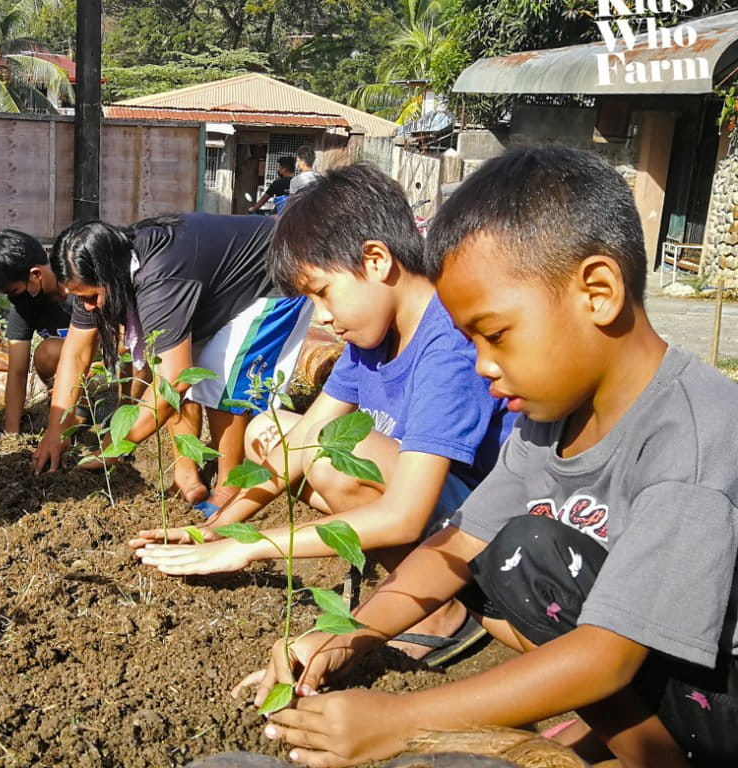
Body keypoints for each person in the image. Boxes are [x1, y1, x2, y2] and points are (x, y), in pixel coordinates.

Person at [229, 146, 738, 768]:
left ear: (597, 291)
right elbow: (460, 544)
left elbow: (610, 654)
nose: (481, 365)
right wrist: (342, 635)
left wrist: (403, 721)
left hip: (719, 697)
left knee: (535, 552)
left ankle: (651, 757)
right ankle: (607, 736)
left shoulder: (695, 434)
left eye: (494, 335)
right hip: (646, 666)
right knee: (523, 555)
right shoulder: (548, 421)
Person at [131, 163, 514, 666]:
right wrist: (221, 529)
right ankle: (404, 579)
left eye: (323, 292)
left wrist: (252, 548)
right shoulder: (370, 342)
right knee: (272, 433)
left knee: (336, 454)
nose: (322, 316)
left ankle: (437, 610)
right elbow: (303, 437)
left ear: (376, 260)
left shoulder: (447, 343)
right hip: (428, 498)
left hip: (487, 534)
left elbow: (406, 514)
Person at [33, 213, 313, 516]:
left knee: (224, 384)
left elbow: (176, 379)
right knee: (173, 369)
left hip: (273, 275)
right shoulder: (94, 276)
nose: (87, 306)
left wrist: (114, 448)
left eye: (91, 298)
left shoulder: (160, 280)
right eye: (79, 298)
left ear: (110, 276)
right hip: (216, 289)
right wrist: (54, 430)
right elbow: (75, 354)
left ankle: (230, 486)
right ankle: (186, 473)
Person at [0, 230, 74, 433]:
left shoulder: (80, 288)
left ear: (35, 275)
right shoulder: (26, 305)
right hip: (71, 379)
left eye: (14, 292)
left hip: (104, 369)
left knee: (52, 350)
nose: (14, 300)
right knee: (48, 353)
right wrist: (12, 432)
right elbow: (17, 371)